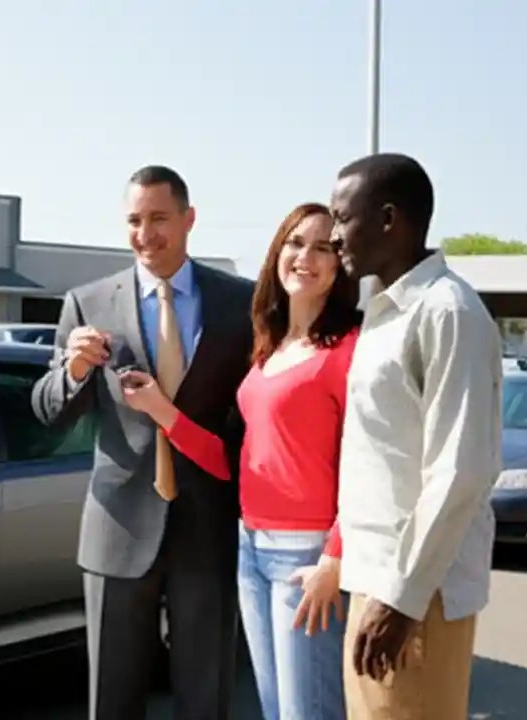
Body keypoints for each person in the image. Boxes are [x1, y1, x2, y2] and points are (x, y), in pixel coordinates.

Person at [30, 165, 255, 720]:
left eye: (158, 218)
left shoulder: (240, 302)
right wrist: (75, 371)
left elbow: (248, 419)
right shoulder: (87, 303)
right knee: (112, 700)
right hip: (117, 524)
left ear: (189, 219)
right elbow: (49, 411)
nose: (145, 233)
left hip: (207, 525)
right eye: (134, 220)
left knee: (206, 699)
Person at [121, 201, 360, 720]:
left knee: (308, 713)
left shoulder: (351, 348)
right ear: (277, 253)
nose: (306, 257)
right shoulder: (267, 350)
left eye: (324, 247)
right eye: (296, 243)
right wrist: (163, 412)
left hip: (307, 557)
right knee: (274, 710)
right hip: (250, 546)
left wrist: (334, 557)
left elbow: (368, 463)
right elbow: (230, 459)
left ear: (341, 264)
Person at [329, 152, 502, 718]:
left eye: (341, 218)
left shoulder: (449, 312)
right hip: (378, 581)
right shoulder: (386, 310)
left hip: (415, 596)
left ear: (387, 220)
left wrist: (400, 603)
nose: (333, 236)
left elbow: (462, 472)